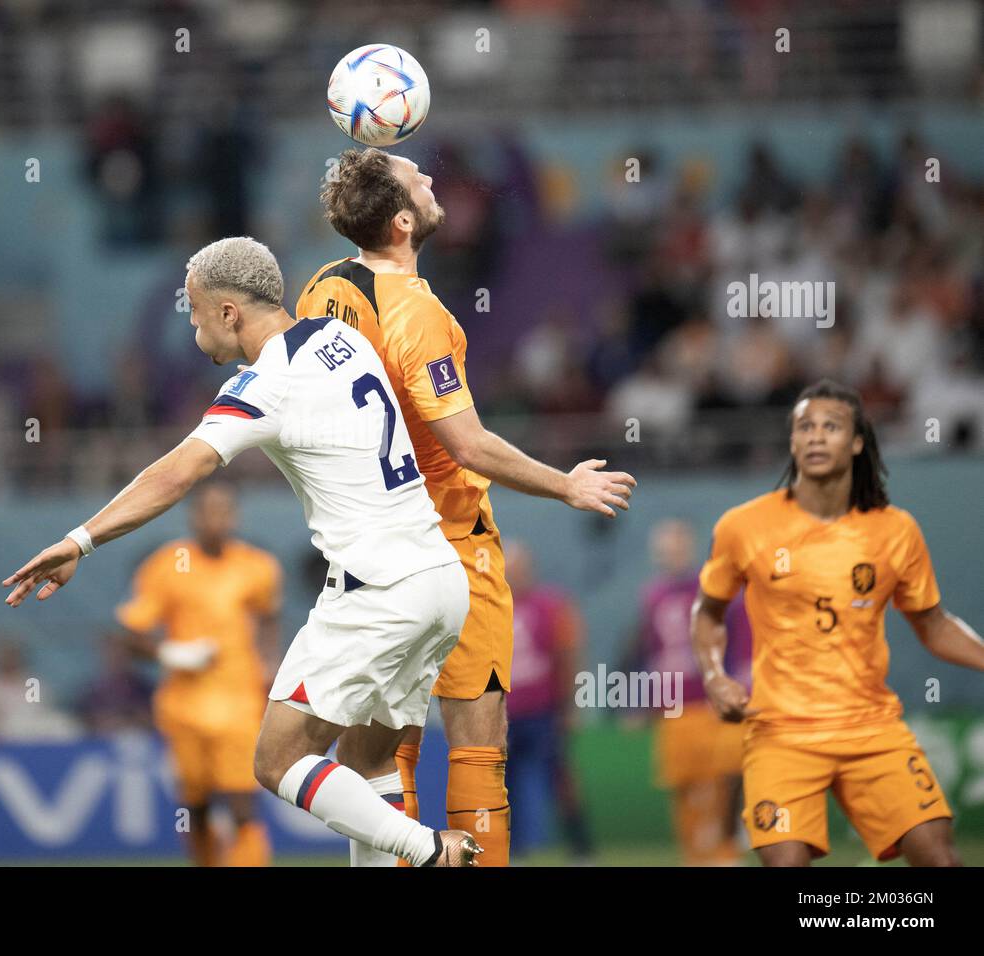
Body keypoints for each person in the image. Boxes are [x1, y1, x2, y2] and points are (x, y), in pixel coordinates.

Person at [5, 236, 480, 866]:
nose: (192, 324)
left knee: (276, 760)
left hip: (379, 589)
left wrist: (79, 540)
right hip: (440, 579)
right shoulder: (345, 339)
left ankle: (430, 850)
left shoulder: (267, 383)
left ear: (230, 312)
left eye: (196, 311)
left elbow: (177, 472)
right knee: (367, 762)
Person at [301, 147, 637, 864]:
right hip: (451, 541)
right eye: (417, 177)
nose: (431, 179)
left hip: (371, 549)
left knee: (388, 745)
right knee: (478, 748)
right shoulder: (418, 314)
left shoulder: (320, 291)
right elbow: (470, 444)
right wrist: (566, 484)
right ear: (401, 219)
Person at [692, 379, 984, 866]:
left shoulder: (895, 531)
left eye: (831, 426)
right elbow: (708, 611)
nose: (815, 436)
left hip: (871, 728)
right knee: (786, 863)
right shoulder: (744, 526)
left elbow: (933, 624)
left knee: (939, 856)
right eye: (804, 426)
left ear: (856, 442)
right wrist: (713, 675)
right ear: (791, 441)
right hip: (781, 732)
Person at [117, 482, 281, 866]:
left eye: (224, 510)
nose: (216, 519)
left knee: (242, 804)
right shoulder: (168, 564)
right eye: (208, 510)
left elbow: (269, 615)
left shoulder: (257, 566)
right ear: (193, 516)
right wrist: (172, 652)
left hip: (240, 700)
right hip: (184, 704)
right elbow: (130, 633)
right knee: (196, 807)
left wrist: (271, 662)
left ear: (235, 516)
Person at [635, 518, 751, 865]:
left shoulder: (717, 588)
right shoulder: (653, 596)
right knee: (684, 788)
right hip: (673, 710)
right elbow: (650, 653)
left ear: (689, 546)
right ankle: (697, 857)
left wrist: (740, 690)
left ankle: (723, 855)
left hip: (709, 704)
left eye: (674, 546)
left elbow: (742, 645)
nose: (667, 555)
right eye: (662, 549)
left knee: (716, 787)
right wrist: (644, 700)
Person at [503, 541, 593, 861]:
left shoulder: (551, 605)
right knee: (503, 784)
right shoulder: (493, 605)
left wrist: (569, 706)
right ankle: (512, 849)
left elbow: (568, 655)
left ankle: (581, 846)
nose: (514, 574)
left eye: (519, 567)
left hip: (544, 711)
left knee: (560, 779)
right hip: (505, 714)